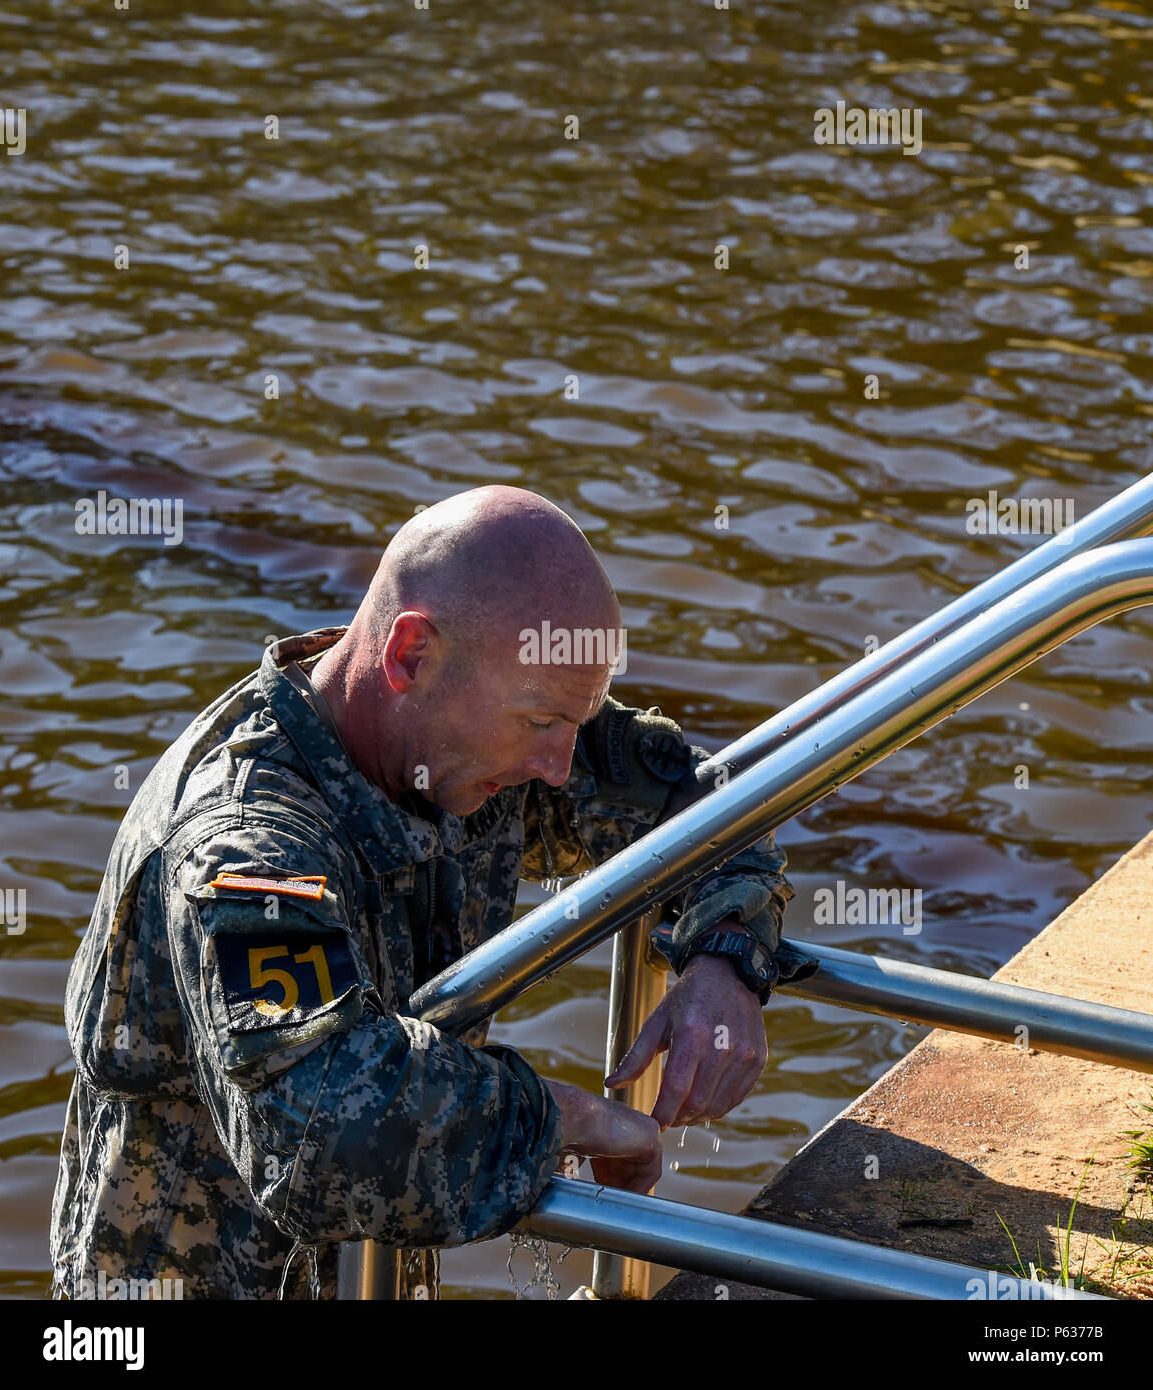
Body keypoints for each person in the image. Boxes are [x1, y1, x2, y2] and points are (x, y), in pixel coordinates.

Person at [50, 485, 812, 1299]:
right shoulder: (243, 841)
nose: (559, 765)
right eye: (541, 723)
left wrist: (724, 959)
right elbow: (320, 1130)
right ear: (411, 654)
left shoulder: (484, 723)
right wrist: (568, 1118)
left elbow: (711, 803)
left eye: (575, 722)